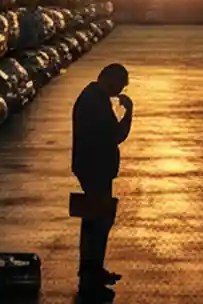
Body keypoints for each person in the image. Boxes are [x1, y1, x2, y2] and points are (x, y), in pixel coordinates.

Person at [72, 63, 133, 300]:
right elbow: (117, 135)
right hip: (95, 169)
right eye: (119, 86)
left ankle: (93, 271)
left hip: (92, 168)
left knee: (95, 221)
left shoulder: (92, 98)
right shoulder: (94, 102)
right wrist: (129, 113)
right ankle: (90, 276)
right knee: (98, 222)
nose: (119, 91)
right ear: (108, 79)